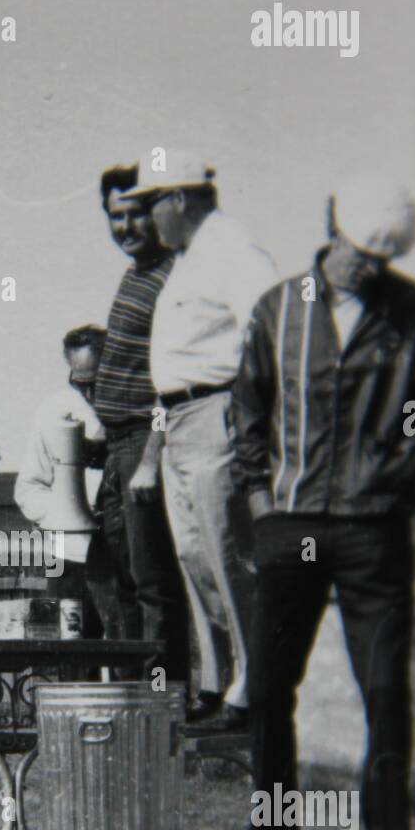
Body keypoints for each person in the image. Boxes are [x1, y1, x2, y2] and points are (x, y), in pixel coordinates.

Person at [195, 176, 415, 830]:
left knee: (387, 693)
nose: (366, 266)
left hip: (374, 529)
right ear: (333, 228)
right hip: (290, 526)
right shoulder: (279, 309)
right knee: (268, 691)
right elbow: (248, 410)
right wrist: (263, 504)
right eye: (359, 250)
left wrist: (403, 480)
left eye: (380, 256)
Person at [118, 151, 277, 727]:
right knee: (194, 555)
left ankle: (252, 686)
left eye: (152, 205)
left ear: (178, 199)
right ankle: (218, 681)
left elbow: (267, 333)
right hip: (179, 417)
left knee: (226, 551)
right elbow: (170, 376)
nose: (148, 220)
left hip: (218, 411)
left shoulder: (233, 250)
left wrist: (247, 416)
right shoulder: (187, 262)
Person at [91, 164, 189, 677]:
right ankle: (132, 698)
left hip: (142, 445)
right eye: (115, 216)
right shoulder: (136, 274)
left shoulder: (173, 276)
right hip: (116, 444)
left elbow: (172, 381)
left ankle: (162, 701)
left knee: (153, 581)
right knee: (122, 579)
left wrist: (150, 455)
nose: (125, 227)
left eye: (134, 215)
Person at [15, 324, 107, 635]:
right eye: (83, 382)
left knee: (127, 649)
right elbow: (28, 489)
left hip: (120, 549)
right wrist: (68, 512)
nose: (91, 390)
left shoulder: (128, 409)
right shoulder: (51, 411)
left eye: (98, 378)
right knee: (75, 648)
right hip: (70, 555)